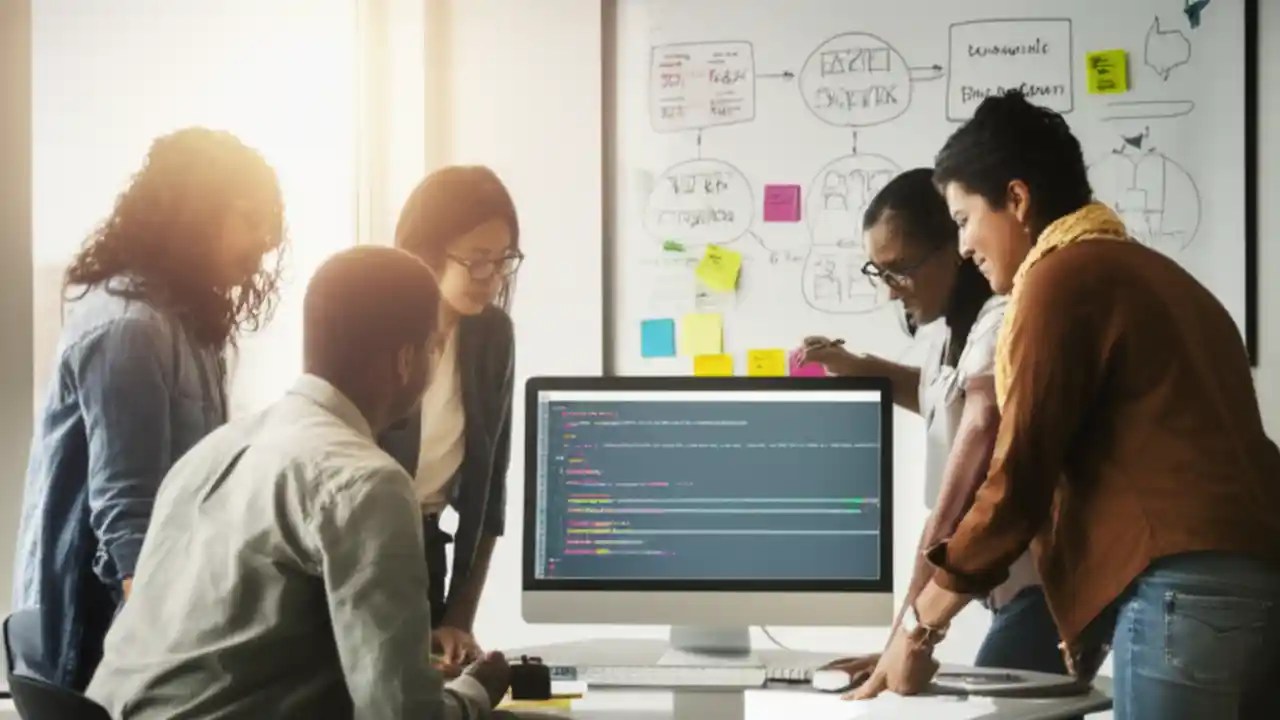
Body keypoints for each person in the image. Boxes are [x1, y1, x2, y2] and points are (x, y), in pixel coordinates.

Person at [853, 91, 1280, 719]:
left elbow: (1015, 482)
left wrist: (920, 626)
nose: (963, 245)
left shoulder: (1058, 281)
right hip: (1259, 578)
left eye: (965, 219)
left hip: (1180, 591)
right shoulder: (1155, 274)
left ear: (1017, 200)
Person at [86, 246, 511, 719]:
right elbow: (401, 715)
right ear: (406, 361)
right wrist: (476, 693)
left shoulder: (209, 454)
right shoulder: (368, 481)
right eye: (433, 348)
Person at [11, 128, 285, 690]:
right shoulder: (129, 329)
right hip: (97, 638)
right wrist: (166, 656)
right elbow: (128, 518)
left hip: (143, 624)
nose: (261, 241)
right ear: (195, 215)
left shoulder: (189, 326)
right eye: (247, 219)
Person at [803, 168, 1065, 684]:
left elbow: (951, 512)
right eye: (879, 273)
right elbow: (942, 397)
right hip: (1011, 593)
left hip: (1042, 594)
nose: (890, 292)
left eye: (899, 271)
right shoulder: (954, 331)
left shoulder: (1002, 325)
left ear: (956, 248)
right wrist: (860, 368)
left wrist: (905, 637)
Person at [380, 165, 521, 673]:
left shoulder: (492, 336)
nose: (492, 278)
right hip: (362, 552)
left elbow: (490, 492)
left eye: (503, 261)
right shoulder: (377, 327)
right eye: (477, 260)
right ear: (426, 250)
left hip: (426, 551)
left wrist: (461, 616)